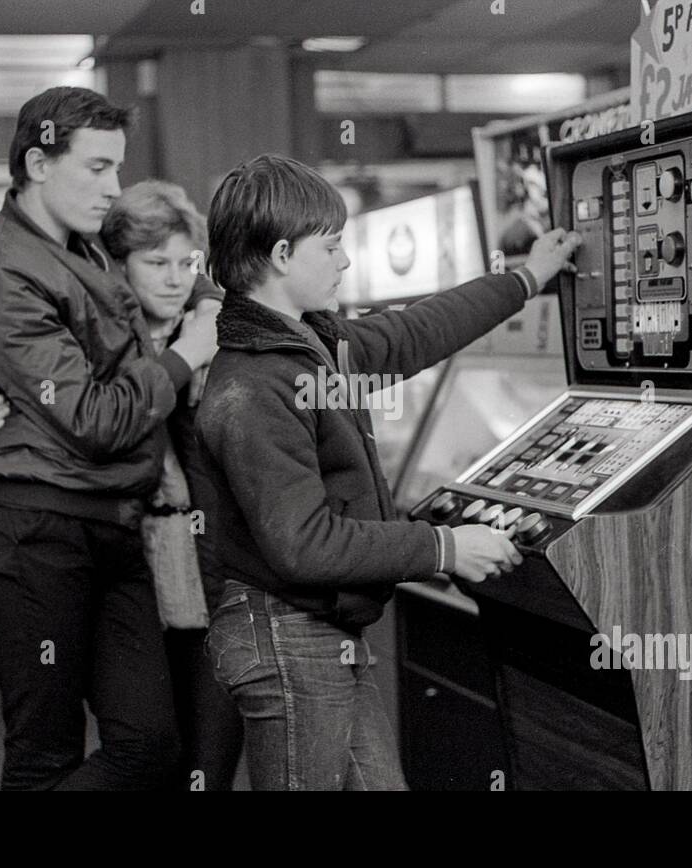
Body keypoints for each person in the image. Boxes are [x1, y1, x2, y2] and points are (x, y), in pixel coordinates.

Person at [189, 153, 580, 790]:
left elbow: (415, 332)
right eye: (333, 246)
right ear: (283, 255)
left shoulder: (309, 342)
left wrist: (527, 278)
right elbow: (305, 546)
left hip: (318, 633)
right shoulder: (254, 385)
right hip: (286, 638)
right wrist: (444, 546)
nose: (345, 261)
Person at [0, 87, 218, 790]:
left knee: (152, 744)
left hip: (108, 523)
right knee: (44, 752)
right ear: (39, 162)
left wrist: (204, 304)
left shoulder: (81, 248)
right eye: (97, 167)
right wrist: (185, 355)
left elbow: (170, 279)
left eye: (117, 168)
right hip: (41, 532)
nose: (113, 188)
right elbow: (97, 419)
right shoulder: (8, 270)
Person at [99, 180, 243, 790]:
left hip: (210, 560)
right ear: (119, 266)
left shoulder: (215, 331)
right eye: (156, 263)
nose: (174, 277)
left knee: (211, 755)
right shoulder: (100, 341)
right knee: (151, 751)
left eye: (186, 263)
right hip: (127, 563)